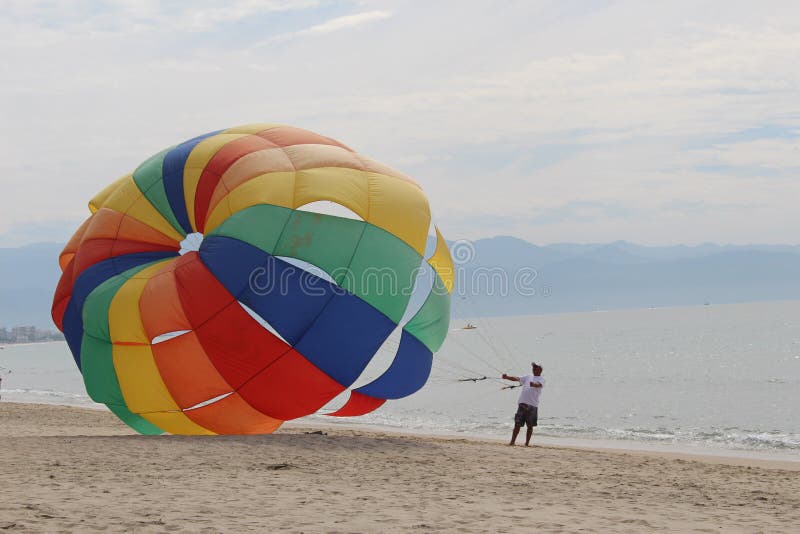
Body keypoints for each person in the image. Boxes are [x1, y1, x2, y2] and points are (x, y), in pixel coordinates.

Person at [501, 363, 544, 446]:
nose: (534, 368)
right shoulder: (528, 376)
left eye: (536, 367)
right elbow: (517, 378)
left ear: (540, 369)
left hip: (532, 405)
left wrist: (534, 384)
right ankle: (512, 442)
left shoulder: (542, 379)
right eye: (533, 367)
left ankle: (527, 443)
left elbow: (539, 385)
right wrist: (507, 377)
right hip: (522, 403)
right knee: (517, 424)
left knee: (530, 426)